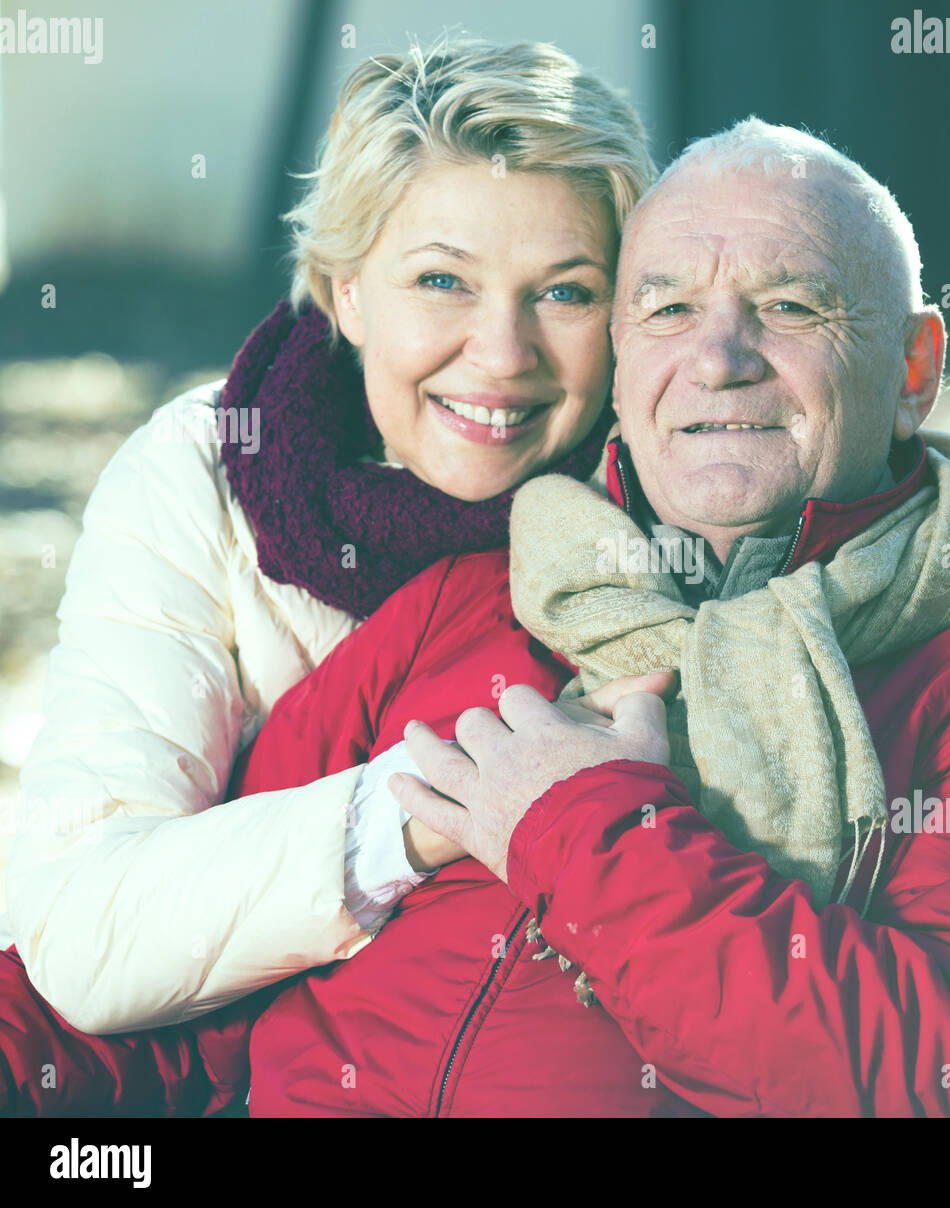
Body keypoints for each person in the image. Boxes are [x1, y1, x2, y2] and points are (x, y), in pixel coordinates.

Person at [226, 117, 950, 1116]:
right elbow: (222, 914)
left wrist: (583, 825)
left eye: (789, 305)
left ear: (914, 369)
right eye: (666, 308)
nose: (718, 359)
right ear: (617, 358)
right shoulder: (476, 592)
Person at [0, 36, 653, 1115]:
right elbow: (84, 926)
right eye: (441, 279)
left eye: (565, 292)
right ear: (346, 291)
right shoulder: (204, 474)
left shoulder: (665, 519)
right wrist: (415, 814)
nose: (501, 352)